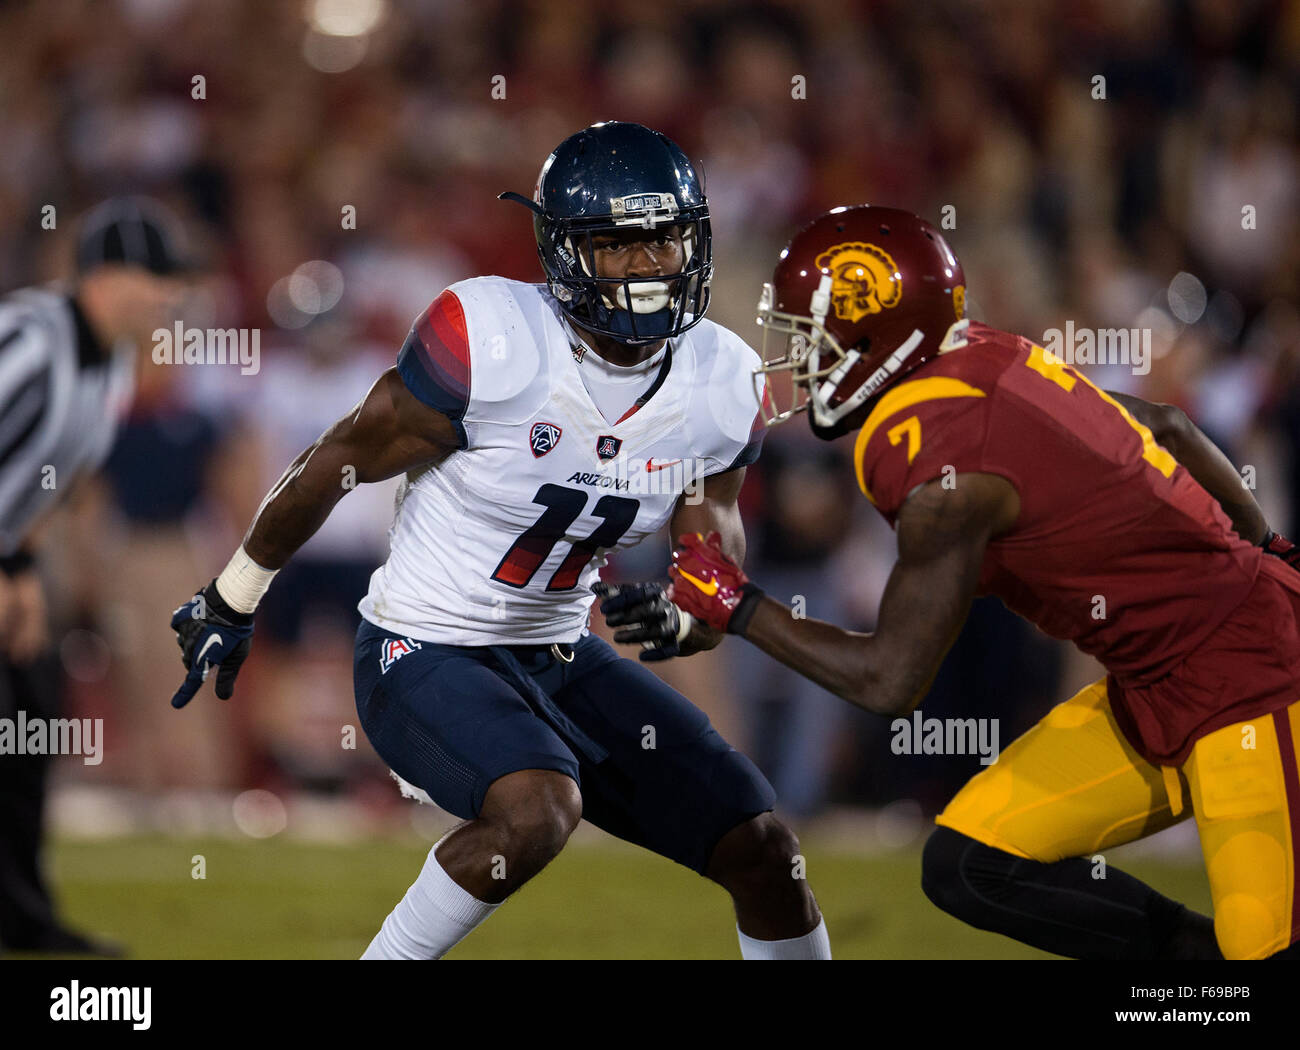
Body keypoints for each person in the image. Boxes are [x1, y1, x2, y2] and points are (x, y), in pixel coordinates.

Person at [168, 122, 829, 960]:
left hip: (558, 651)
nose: (651, 265)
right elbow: (339, 459)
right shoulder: (494, 340)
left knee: (761, 844)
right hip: (423, 645)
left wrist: (691, 618)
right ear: (565, 252)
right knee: (537, 809)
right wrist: (233, 595)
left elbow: (711, 544)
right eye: (620, 246)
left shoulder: (722, 379)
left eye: (665, 237)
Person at [667, 204, 1300, 960]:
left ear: (880, 336)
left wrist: (737, 604)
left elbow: (889, 679)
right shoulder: (988, 355)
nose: (804, 361)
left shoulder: (938, 461)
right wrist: (1271, 548)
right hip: (1153, 684)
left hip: (1250, 679)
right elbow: (1169, 427)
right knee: (972, 864)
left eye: (817, 338)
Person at [0, 197, 192, 955]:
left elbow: (49, 481)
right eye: (158, 278)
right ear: (107, 277)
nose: (171, 295)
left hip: (11, 558)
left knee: (30, 716)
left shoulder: (110, 360)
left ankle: (20, 916)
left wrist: (21, 573)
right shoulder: (30, 338)